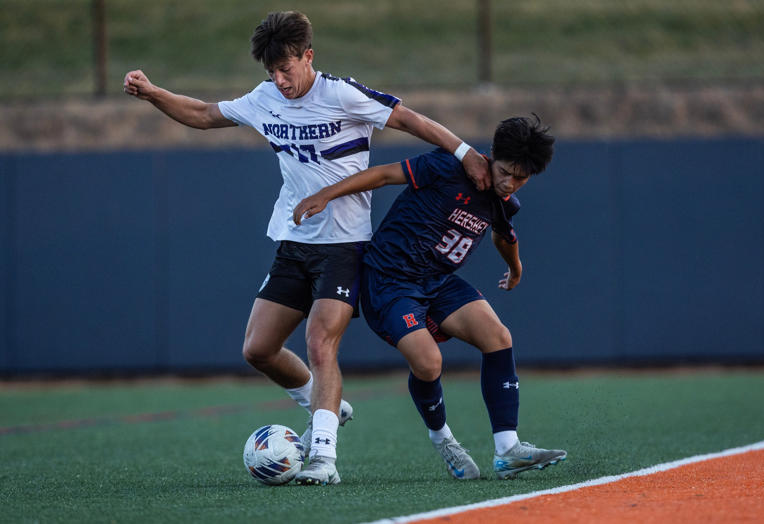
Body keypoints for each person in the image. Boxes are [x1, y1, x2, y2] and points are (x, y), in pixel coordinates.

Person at [123, 11, 491, 486]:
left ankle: (324, 458)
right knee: (258, 349)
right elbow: (205, 115)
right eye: (271, 72)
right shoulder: (265, 98)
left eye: (286, 69)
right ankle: (328, 405)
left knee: (320, 342)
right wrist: (153, 93)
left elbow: (408, 119)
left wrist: (465, 153)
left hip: (344, 246)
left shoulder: (341, 94)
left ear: (308, 57)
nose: (279, 80)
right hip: (294, 244)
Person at [293, 115, 567, 480]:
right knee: (429, 362)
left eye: (521, 178)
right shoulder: (447, 166)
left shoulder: (504, 201)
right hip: (389, 281)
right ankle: (443, 439)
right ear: (491, 155)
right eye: (505, 172)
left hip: (437, 282)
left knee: (498, 337)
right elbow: (383, 175)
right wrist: (326, 194)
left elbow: (504, 234)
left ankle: (507, 450)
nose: (510, 183)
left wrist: (515, 268)